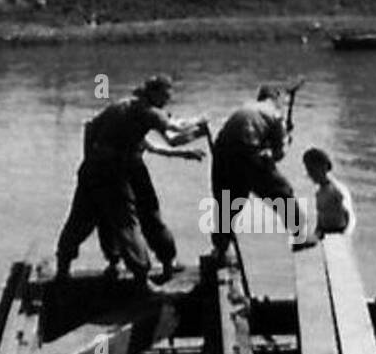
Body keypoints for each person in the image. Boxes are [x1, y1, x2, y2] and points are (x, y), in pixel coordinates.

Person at [55, 76, 205, 287]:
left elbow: (93, 128)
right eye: (165, 96)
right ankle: (142, 278)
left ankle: (64, 268)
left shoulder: (123, 108)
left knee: (83, 218)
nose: (167, 102)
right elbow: (175, 129)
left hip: (94, 168)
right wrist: (200, 122)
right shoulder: (146, 111)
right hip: (112, 169)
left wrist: (185, 152)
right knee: (127, 221)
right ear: (153, 93)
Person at [210, 85, 299, 252]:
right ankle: (301, 235)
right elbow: (278, 155)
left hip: (222, 152)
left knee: (228, 204)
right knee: (283, 192)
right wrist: (287, 141)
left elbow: (247, 131)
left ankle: (220, 248)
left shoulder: (247, 107)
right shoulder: (274, 112)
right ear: (276, 98)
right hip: (247, 151)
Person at [302, 147, 355, 239]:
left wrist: (343, 237)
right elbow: (320, 222)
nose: (309, 174)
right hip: (326, 237)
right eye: (308, 170)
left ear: (324, 167)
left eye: (312, 170)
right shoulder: (319, 192)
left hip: (338, 238)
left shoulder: (337, 190)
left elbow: (349, 217)